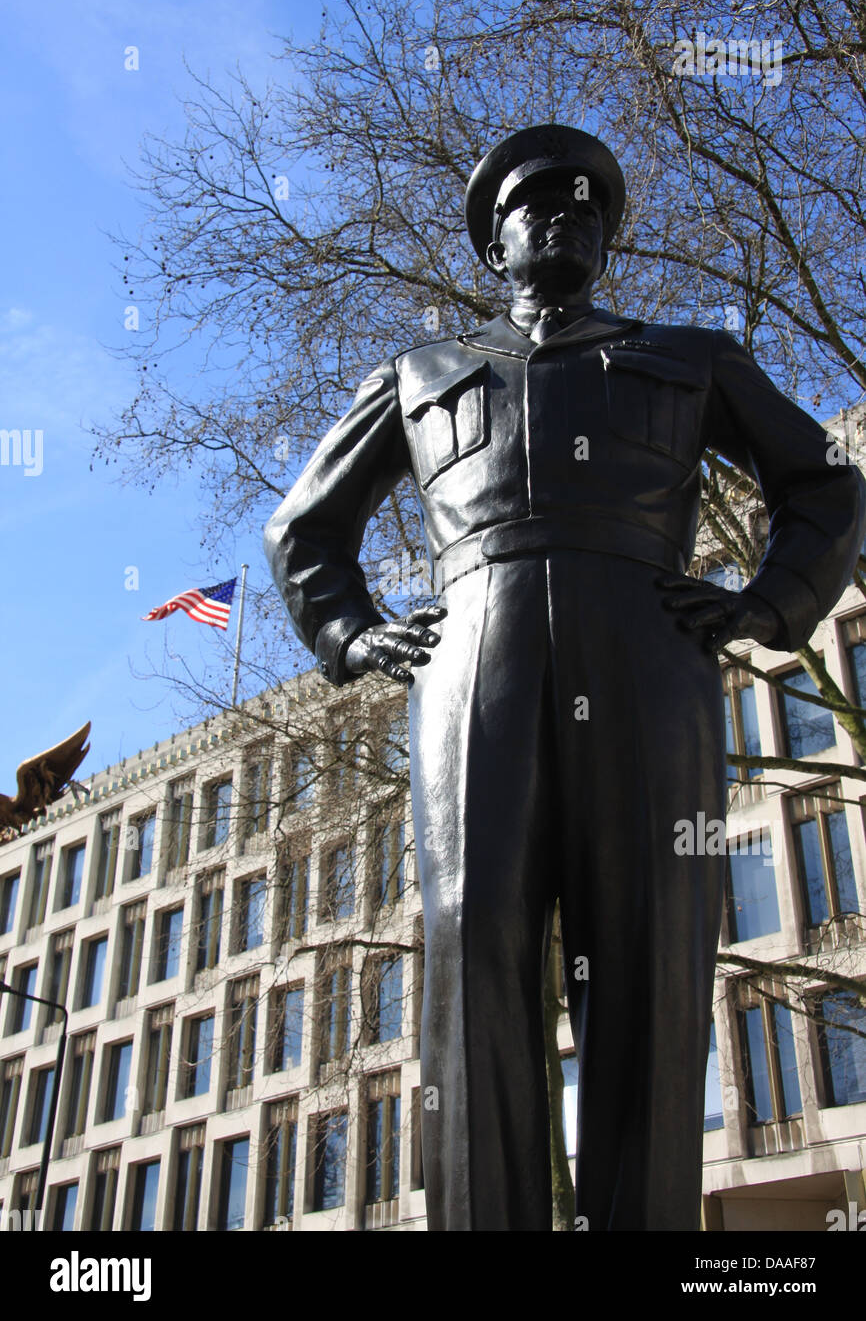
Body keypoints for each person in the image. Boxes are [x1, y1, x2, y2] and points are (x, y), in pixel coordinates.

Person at [264, 125, 866, 1230]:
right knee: (469, 944)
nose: (563, 217)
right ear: (493, 245)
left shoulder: (690, 359)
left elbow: (821, 484)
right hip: (471, 664)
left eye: (586, 207)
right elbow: (304, 530)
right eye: (536, 205)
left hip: (644, 651)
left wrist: (764, 604)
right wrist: (352, 637)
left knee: (646, 952)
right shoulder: (419, 374)